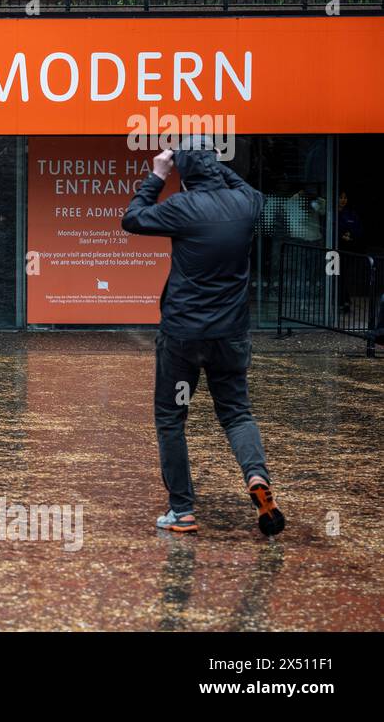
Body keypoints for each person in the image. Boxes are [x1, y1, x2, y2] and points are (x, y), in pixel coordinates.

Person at [122, 137, 284, 536]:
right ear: (214, 167)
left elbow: (133, 217)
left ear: (185, 175)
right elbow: (247, 189)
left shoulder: (182, 207)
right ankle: (256, 478)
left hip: (183, 338)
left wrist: (159, 175)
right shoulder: (246, 205)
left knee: (172, 418)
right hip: (230, 337)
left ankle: (182, 511)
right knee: (236, 413)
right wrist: (209, 164)